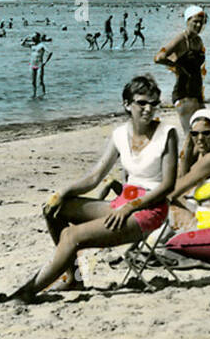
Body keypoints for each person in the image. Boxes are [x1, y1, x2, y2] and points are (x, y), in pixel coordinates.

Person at [13, 76, 179, 299]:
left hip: (149, 209)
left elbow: (168, 185)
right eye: (142, 103)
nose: (148, 109)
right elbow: (95, 176)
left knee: (72, 236)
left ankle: (26, 292)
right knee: (53, 209)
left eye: (153, 103)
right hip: (123, 203)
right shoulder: (120, 134)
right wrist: (63, 192)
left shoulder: (166, 134)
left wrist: (129, 208)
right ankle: (73, 278)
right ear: (127, 104)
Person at [155, 4, 208, 133]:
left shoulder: (198, 41)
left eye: (201, 23)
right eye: (195, 22)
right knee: (192, 133)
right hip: (183, 94)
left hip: (196, 93)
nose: (198, 26)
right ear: (187, 21)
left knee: (206, 129)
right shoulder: (180, 39)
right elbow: (158, 57)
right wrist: (176, 66)